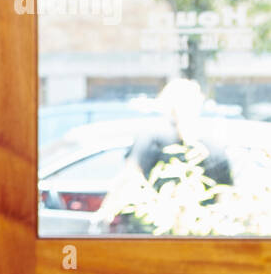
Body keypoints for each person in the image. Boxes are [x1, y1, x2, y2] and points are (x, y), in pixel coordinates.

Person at [94, 78, 234, 232]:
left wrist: (105, 214)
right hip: (200, 233)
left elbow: (129, 178)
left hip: (153, 232)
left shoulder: (152, 135)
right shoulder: (212, 143)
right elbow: (225, 195)